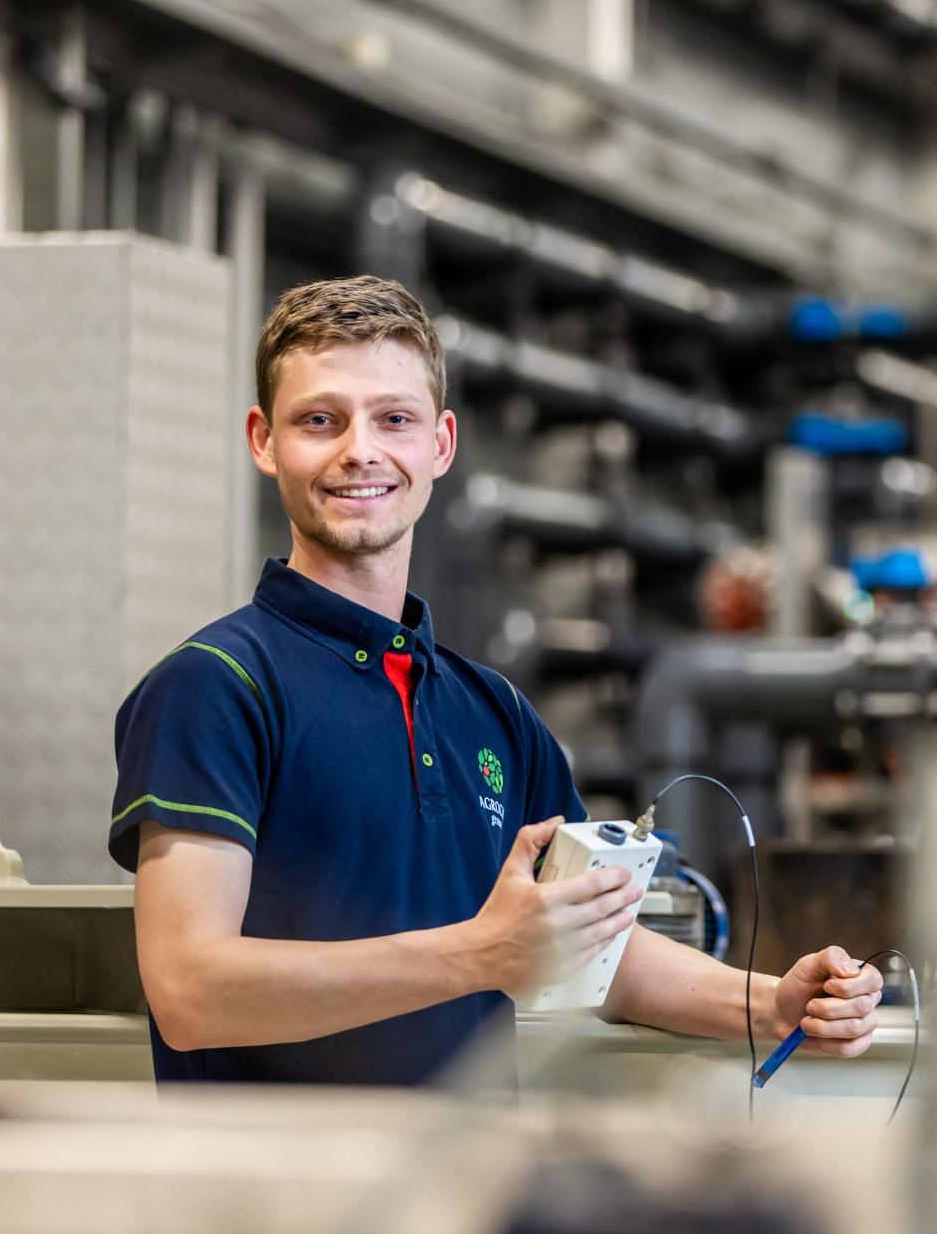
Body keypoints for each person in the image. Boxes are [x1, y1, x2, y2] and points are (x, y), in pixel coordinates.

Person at [110, 276, 882, 1085]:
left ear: (440, 445)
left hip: (462, 1188)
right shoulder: (217, 686)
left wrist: (768, 1005)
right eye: (319, 420)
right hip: (274, 1201)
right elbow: (190, 989)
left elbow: (592, 948)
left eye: (394, 419)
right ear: (264, 440)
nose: (360, 450)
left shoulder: (495, 714)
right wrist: (480, 954)